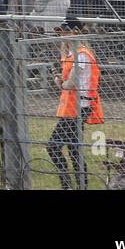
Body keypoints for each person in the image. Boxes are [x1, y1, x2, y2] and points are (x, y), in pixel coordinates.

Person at [48, 17, 103, 190]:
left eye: (67, 31)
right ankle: (81, 186)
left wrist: (61, 82)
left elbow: (71, 83)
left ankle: (67, 185)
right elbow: (67, 83)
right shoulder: (71, 54)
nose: (63, 35)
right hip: (73, 106)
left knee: (52, 146)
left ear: (76, 32)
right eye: (61, 31)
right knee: (74, 149)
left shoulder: (82, 54)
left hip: (79, 107)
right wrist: (59, 80)